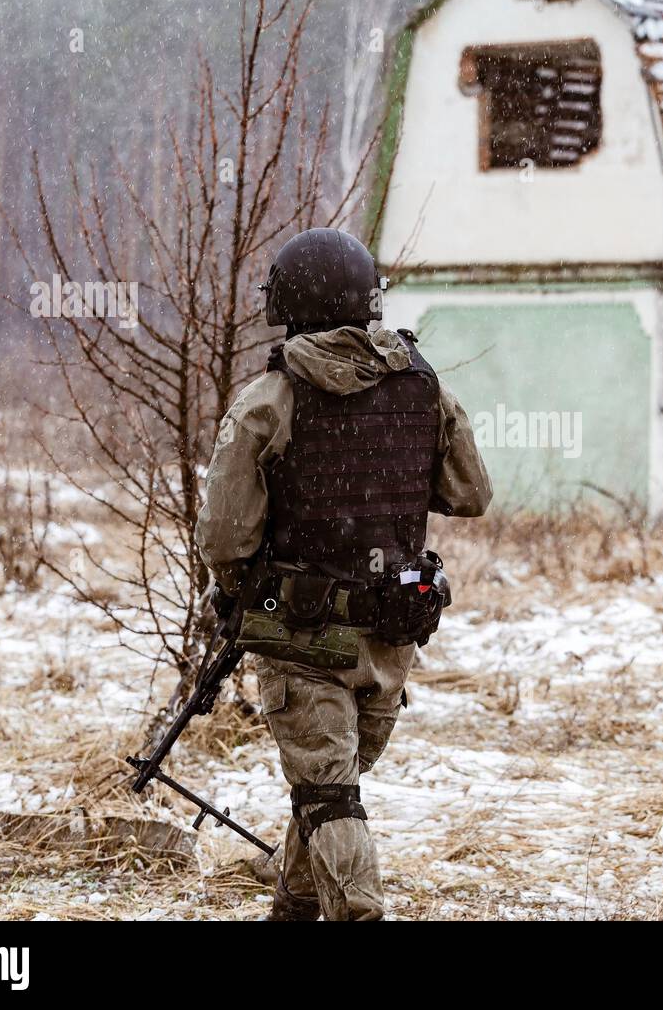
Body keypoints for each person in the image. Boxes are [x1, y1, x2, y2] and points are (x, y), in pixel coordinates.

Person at [195, 228, 492, 920]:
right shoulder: (424, 387)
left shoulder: (272, 398)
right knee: (330, 793)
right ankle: (295, 909)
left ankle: (358, 911)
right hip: (393, 636)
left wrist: (238, 591)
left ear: (289, 305)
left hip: (304, 636)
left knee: (329, 797)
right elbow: (471, 494)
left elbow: (223, 536)